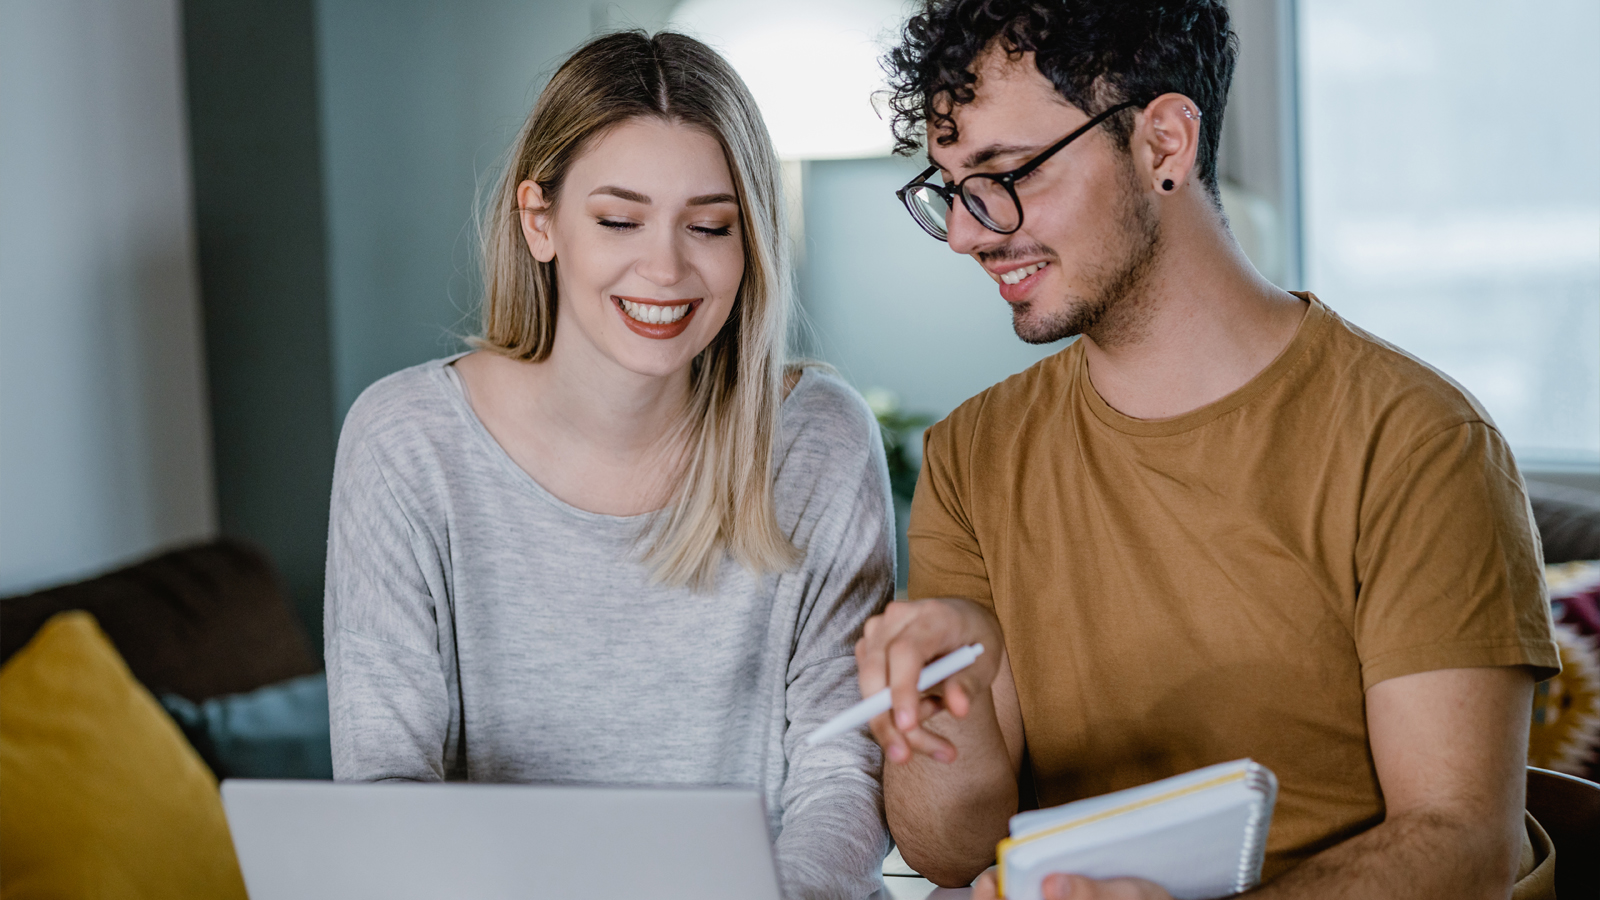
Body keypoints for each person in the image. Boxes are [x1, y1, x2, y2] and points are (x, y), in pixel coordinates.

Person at [852, 2, 1561, 898]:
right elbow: (949, 854)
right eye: (950, 187)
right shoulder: (972, 456)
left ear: (1163, 146)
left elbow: (1463, 841)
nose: (965, 232)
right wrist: (950, 712)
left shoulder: (1417, 441)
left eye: (1003, 173)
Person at [323, 31, 892, 899]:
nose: (665, 268)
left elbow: (842, 772)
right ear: (539, 222)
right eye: (620, 220)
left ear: (752, 245)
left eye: (709, 226)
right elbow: (387, 787)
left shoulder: (819, 439)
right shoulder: (405, 443)